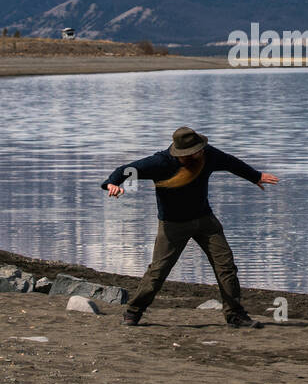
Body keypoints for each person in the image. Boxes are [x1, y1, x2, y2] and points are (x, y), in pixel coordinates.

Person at [101, 127, 279, 328]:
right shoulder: (160, 163)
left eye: (201, 148)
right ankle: (133, 312)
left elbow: (230, 162)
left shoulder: (207, 154)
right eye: (196, 150)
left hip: (205, 221)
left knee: (226, 266)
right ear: (183, 153)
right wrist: (112, 184)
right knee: (158, 272)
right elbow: (125, 170)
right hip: (172, 226)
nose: (201, 152)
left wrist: (255, 176)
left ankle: (235, 315)